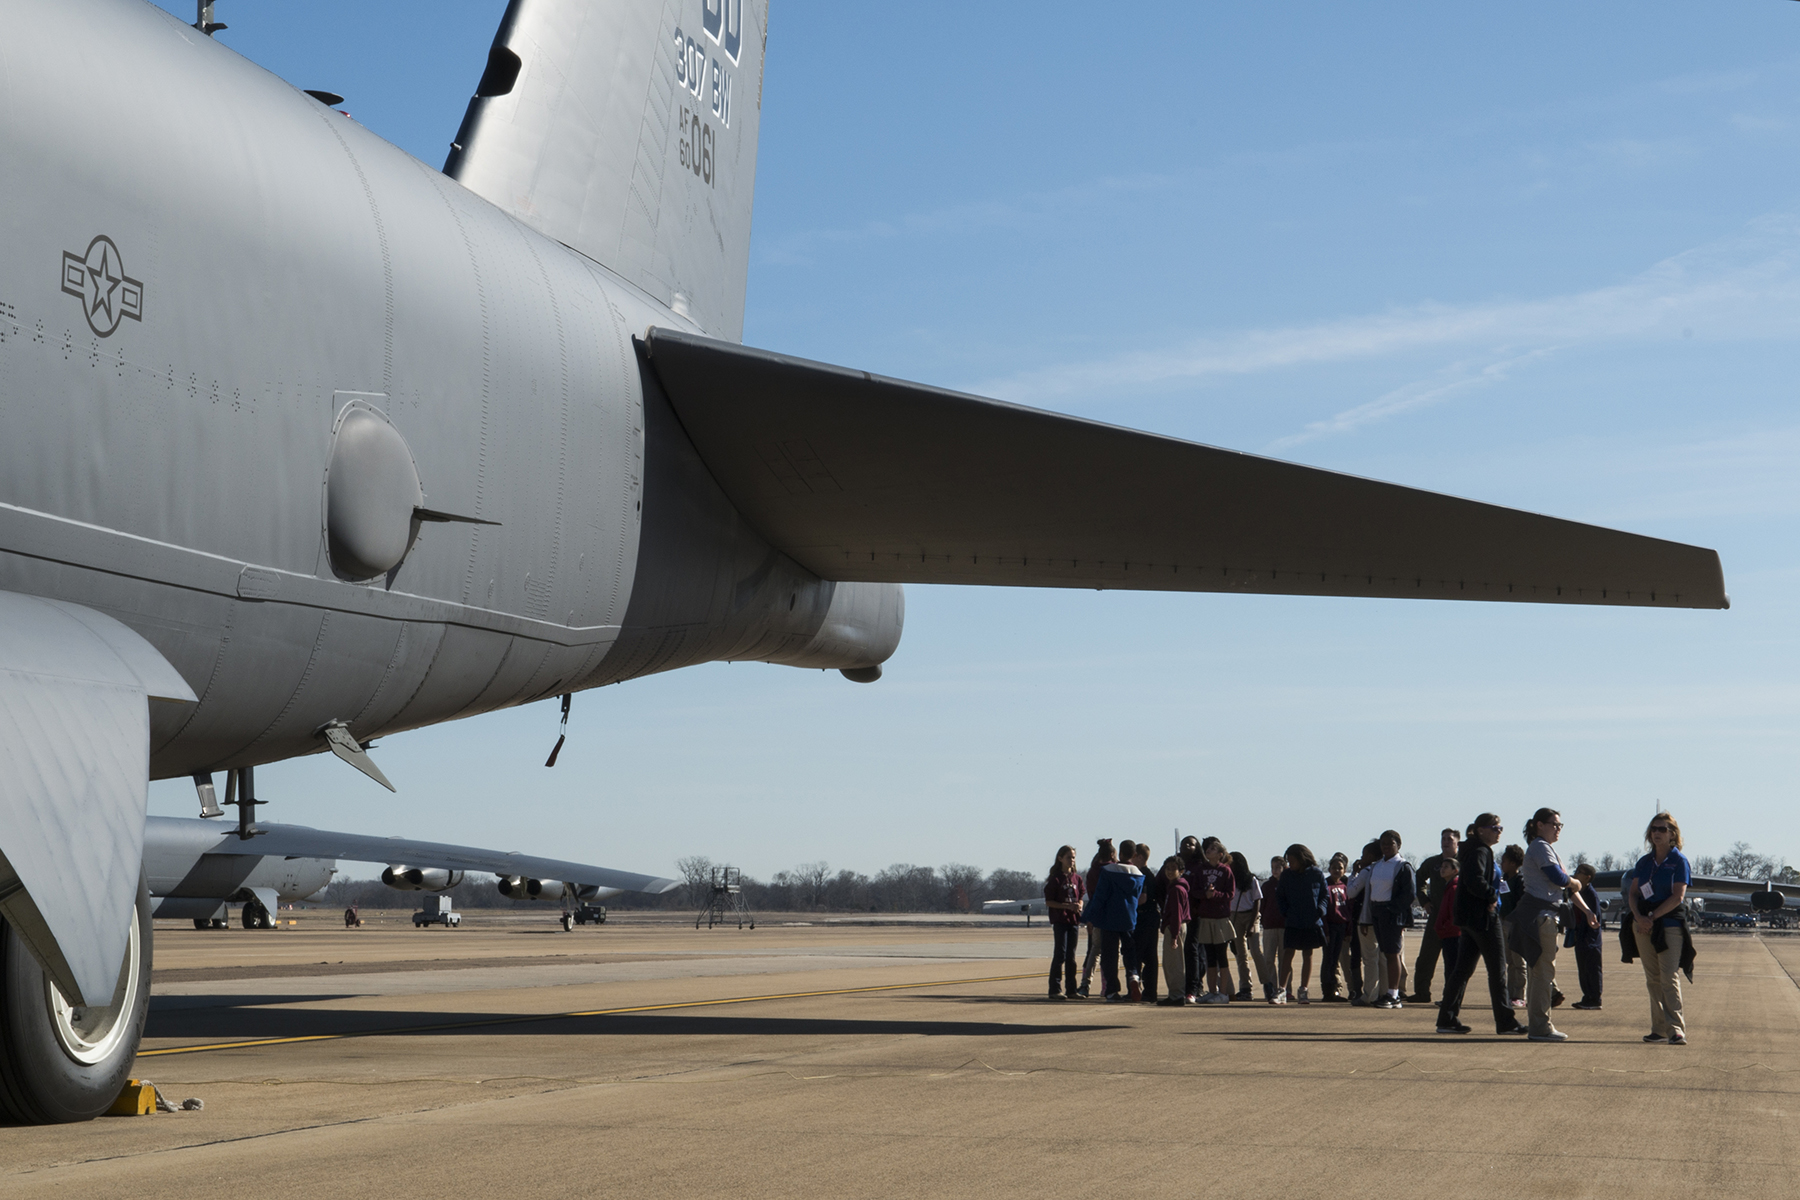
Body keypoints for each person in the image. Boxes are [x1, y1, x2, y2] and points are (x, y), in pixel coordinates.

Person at [1509, 808, 1596, 1042]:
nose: (1558, 829)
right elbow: (1559, 879)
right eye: (1554, 824)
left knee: (1542, 973)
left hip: (1545, 915)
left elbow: (1564, 887)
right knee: (1542, 974)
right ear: (1539, 825)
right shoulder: (1539, 847)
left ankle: (1540, 1024)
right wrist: (1576, 881)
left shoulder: (1547, 849)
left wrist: (1587, 910)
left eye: (1560, 825)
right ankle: (1540, 1026)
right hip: (1541, 916)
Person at [1436, 813, 1526, 1035]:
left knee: (1462, 970)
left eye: (1500, 828)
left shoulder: (1475, 850)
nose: (1499, 832)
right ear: (1480, 830)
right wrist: (1491, 897)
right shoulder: (1480, 851)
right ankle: (1505, 1021)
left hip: (1469, 920)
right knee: (1497, 971)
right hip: (1482, 919)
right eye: (1495, 828)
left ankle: (1447, 1018)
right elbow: (1475, 879)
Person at [1626, 811, 1695, 1044]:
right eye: (1654, 829)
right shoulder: (1644, 863)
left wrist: (1653, 917)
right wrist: (1639, 917)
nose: (1657, 833)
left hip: (1669, 924)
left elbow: (1678, 897)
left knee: (1668, 976)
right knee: (1652, 978)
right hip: (1643, 924)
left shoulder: (1679, 861)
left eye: (1662, 829)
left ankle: (1676, 1028)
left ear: (1672, 834)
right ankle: (1658, 1027)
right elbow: (1633, 894)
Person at [1085, 843, 1144, 1003]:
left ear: (1120, 852)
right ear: (1134, 854)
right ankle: (1133, 975)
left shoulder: (1108, 871)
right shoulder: (1138, 874)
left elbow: (1100, 895)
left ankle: (1112, 990)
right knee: (1129, 951)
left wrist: (1091, 916)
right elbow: (1137, 897)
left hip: (1109, 918)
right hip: (1129, 918)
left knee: (1109, 955)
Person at [1366, 830, 1416, 1009]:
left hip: (1392, 914)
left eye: (1390, 843)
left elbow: (1409, 893)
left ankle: (1394, 994)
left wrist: (1392, 909)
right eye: (1383, 844)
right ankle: (1389, 992)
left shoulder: (1403, 866)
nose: (1386, 847)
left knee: (1393, 953)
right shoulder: (1377, 865)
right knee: (1385, 953)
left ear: (1398, 845)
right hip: (1377, 911)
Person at [1410, 828, 1460, 1003]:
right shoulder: (1433, 863)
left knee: (1452, 960)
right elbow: (1419, 878)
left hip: (1456, 919)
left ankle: (1450, 996)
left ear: (1457, 843)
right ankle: (1422, 992)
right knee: (1426, 957)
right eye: (1443, 839)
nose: (1445, 842)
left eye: (1450, 839)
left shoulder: (1464, 862)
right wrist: (1424, 900)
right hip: (1436, 915)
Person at [1187, 837, 1237, 1003]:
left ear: (1220, 854)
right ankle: (1212, 991)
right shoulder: (1201, 870)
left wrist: (1214, 895)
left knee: (1221, 956)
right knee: (1210, 957)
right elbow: (1194, 891)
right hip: (1206, 917)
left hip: (1220, 918)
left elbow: (1230, 894)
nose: (1209, 851)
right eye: (1208, 849)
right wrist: (1204, 894)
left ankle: (1223, 993)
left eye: (1213, 849)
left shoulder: (1226, 871)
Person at [1276, 844, 1327, 1004]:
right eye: (1288, 862)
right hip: (1293, 920)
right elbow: (1280, 896)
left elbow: (1325, 896)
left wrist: (1320, 910)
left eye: (1292, 861)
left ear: (1301, 859)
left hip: (1311, 921)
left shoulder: (1316, 874)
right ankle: (1281, 990)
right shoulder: (1286, 876)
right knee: (1287, 954)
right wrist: (1285, 912)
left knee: (1308, 954)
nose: (1290, 865)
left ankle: (1303, 990)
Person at [1043, 845, 1086, 1000]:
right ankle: (1054, 989)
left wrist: (1079, 904)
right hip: (1060, 920)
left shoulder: (1077, 879)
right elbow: (1049, 901)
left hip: (1073, 921)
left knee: (1071, 957)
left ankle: (1071, 989)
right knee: (1060, 954)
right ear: (1060, 858)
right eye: (1068, 857)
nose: (1071, 860)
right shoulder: (1055, 879)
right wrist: (1066, 906)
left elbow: (1081, 894)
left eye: (1073, 857)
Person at [1346, 840, 1384, 1005]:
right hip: (1382, 919)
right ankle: (1385, 992)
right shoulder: (1384, 869)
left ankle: (1369, 994)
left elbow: (1351, 892)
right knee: (1383, 957)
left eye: (1363, 855)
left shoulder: (1366, 871)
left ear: (1369, 856)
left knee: (1369, 958)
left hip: (1365, 919)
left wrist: (1353, 874)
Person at [1078, 839, 1116, 998]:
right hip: (1112, 915)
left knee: (1094, 950)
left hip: (1095, 913)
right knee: (1112, 952)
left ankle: (1085, 984)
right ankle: (1107, 985)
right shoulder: (1114, 870)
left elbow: (1093, 895)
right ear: (1113, 854)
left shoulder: (1093, 871)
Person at [1226, 851, 1261, 1002]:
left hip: (1250, 915)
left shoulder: (1251, 880)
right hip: (1234, 916)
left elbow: (1258, 901)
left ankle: (1269, 985)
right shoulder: (1228, 879)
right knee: (1240, 955)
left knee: (1256, 951)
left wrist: (1252, 923)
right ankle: (1246, 987)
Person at [1568, 862, 1604, 1011]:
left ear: (1587, 877)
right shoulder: (1578, 892)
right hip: (1580, 935)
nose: (1575, 874)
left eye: (1579, 872)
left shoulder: (1590, 895)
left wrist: (1590, 939)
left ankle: (1595, 998)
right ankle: (1587, 997)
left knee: (1592, 969)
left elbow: (1595, 919)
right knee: (1583, 969)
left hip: (1590, 939)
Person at [1157, 855, 1191, 1006]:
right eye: (1167, 868)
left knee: (1174, 964)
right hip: (1175, 927)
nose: (1170, 872)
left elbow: (1177, 914)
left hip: (1175, 927)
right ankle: (1174, 993)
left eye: (1173, 869)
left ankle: (1177, 995)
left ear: (1181, 871)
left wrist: (1174, 936)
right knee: (1171, 963)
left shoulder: (1177, 889)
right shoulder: (1172, 887)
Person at [1498, 844, 1527, 1008]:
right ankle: (1510, 994)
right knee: (1509, 960)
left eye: (1505, 861)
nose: (1502, 864)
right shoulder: (1503, 880)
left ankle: (1519, 995)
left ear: (1514, 863)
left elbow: (1520, 903)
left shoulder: (1519, 881)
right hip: (1503, 921)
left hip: (1515, 924)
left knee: (1518, 961)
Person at [1320, 853, 1352, 1002]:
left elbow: (1347, 909)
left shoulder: (1344, 887)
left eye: (1340, 868)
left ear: (1344, 870)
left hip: (1341, 926)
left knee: (1335, 960)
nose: (1336, 871)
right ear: (1329, 869)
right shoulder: (1325, 885)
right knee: (1329, 959)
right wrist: (1324, 930)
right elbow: (1324, 911)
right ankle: (1328, 990)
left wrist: (1348, 929)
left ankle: (1334, 989)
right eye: (1334, 868)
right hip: (1330, 926)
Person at [1130, 842, 1160, 1002]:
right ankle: (1150, 992)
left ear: (1139, 857)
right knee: (1150, 957)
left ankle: (1136, 990)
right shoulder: (1150, 875)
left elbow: (1142, 898)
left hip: (1143, 918)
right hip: (1152, 918)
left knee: (1138, 955)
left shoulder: (1142, 875)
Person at [1178, 835, 1204, 1002]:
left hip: (1194, 916)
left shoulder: (1200, 867)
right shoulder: (1175, 865)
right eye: (1184, 843)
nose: (1188, 846)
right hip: (1177, 917)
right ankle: (1178, 986)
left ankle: (1193, 988)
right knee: (1178, 952)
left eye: (1192, 844)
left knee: (1192, 950)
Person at [1258, 855, 1287, 1002]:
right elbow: (1261, 906)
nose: (1274, 871)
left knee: (1285, 960)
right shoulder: (1266, 886)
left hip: (1285, 927)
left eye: (1277, 868)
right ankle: (1272, 988)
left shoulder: (1288, 884)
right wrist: (1263, 920)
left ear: (1284, 868)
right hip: (1269, 928)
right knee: (1268, 959)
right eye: (1273, 868)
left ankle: (1285, 989)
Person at [1433, 858, 1461, 984]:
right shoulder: (1448, 887)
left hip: (1453, 935)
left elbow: (1454, 915)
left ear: (1455, 871)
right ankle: (1448, 997)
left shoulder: (1454, 889)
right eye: (1442, 866)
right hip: (1448, 934)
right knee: (1449, 968)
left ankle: (1451, 999)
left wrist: (1444, 929)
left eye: (1446, 867)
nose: (1442, 869)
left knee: (1452, 968)